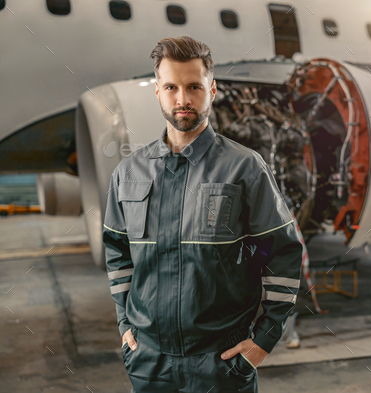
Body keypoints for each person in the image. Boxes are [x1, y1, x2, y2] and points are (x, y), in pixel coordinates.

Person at [102, 36, 303, 392]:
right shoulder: (129, 173)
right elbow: (118, 254)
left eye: (194, 86)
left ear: (212, 89)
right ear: (158, 92)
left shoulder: (244, 169)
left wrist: (262, 342)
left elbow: (282, 253)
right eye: (171, 87)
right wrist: (125, 327)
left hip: (220, 365)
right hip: (149, 364)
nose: (182, 99)